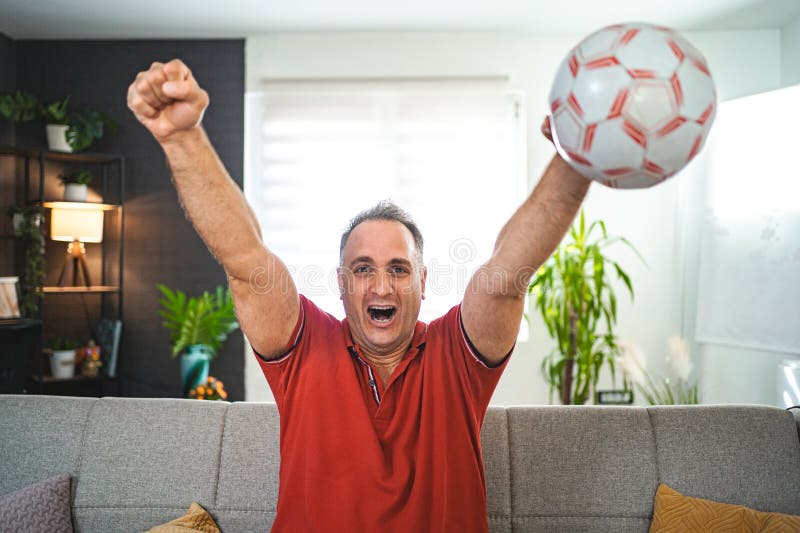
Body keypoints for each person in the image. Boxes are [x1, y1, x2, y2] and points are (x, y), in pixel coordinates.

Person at [128, 59, 590, 532]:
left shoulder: (457, 356)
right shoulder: (304, 350)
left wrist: (578, 160)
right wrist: (181, 138)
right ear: (342, 283)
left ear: (424, 282)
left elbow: (508, 273)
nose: (382, 286)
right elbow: (245, 260)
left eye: (399, 269)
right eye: (363, 269)